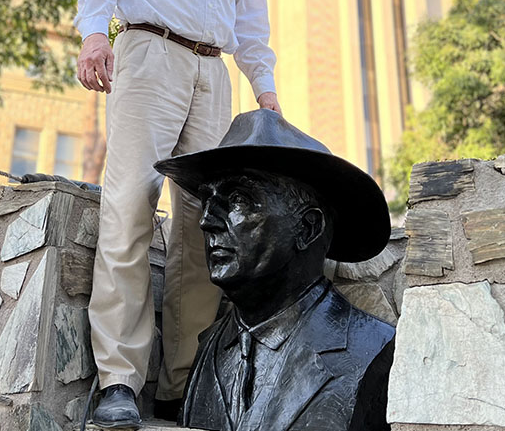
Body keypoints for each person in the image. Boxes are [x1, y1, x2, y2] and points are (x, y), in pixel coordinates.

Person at [73, 0, 280, 427]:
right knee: (131, 205)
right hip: (149, 54)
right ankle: (118, 381)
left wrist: (265, 92)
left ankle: (182, 383)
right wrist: (94, 37)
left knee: (206, 229)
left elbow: (251, 25)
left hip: (212, 73)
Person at [155, 109, 396, 431]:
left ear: (308, 228)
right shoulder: (209, 346)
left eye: (238, 199)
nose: (206, 221)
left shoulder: (373, 347)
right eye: (206, 201)